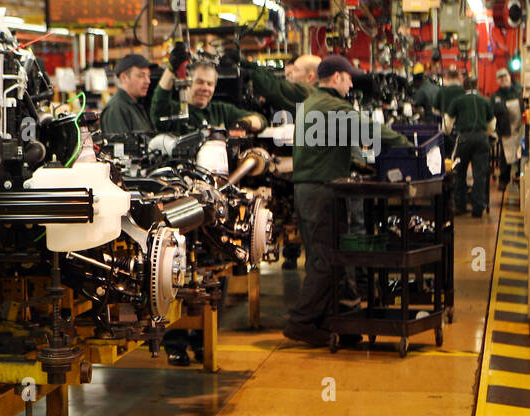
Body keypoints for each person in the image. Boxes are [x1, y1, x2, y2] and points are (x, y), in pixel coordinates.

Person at [284, 56, 412, 347]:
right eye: (349, 77)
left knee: (324, 256)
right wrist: (408, 145)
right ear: (337, 77)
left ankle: (331, 318)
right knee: (326, 259)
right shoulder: (330, 106)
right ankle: (301, 323)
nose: (352, 83)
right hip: (320, 192)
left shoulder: (315, 103)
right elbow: (372, 131)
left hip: (312, 189)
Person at [150, 50, 266, 135]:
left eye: (209, 84)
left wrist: (246, 123)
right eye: (200, 82)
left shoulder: (222, 111)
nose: (205, 88)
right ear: (188, 83)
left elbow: (261, 120)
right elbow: (158, 105)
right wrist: (171, 68)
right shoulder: (177, 110)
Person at [444, 76, 497, 218]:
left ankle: (460, 206)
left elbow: (447, 125)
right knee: (479, 175)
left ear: (464, 86)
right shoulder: (485, 101)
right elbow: (492, 125)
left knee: (459, 173)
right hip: (481, 138)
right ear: (477, 85)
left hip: (464, 139)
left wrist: (448, 133)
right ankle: (478, 208)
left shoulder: (457, 101)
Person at [97, 53, 153, 135]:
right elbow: (120, 145)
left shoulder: (136, 106)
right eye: (141, 76)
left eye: (148, 76)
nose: (148, 81)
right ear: (124, 77)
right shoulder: (116, 109)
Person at [492, 66, 523, 191]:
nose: (503, 79)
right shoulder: (495, 97)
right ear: (497, 81)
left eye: (505, 76)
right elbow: (492, 114)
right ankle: (503, 181)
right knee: (505, 157)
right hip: (505, 131)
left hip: (521, 130)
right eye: (500, 78)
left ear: (510, 78)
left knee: (522, 155)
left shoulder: (519, 91)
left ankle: (519, 177)